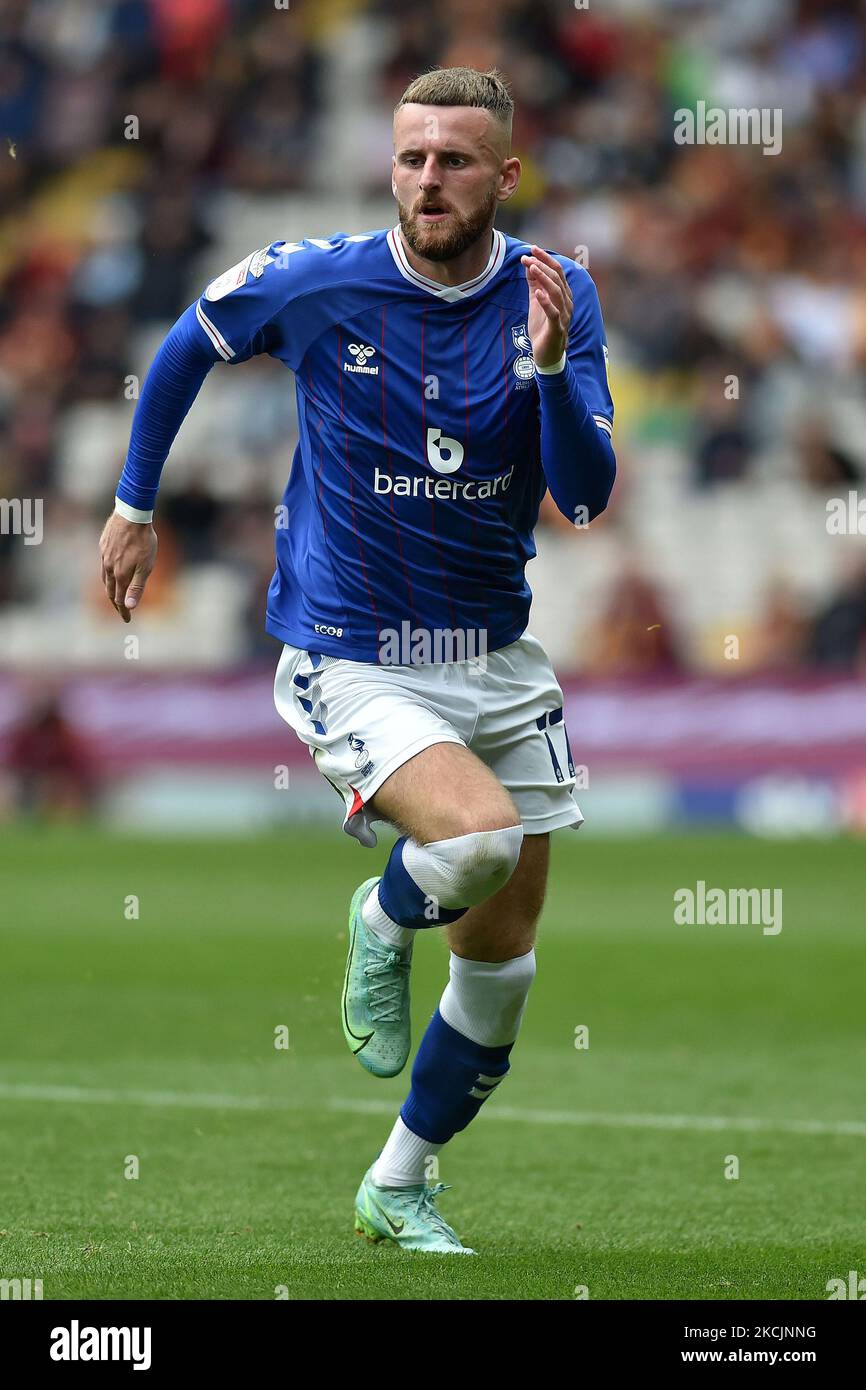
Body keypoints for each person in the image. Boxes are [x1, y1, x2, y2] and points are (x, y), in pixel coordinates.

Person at [99, 66, 615, 1254]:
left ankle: (398, 1182)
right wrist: (135, 503)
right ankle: (380, 922)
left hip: (495, 653)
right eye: (411, 157)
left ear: (503, 175)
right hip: (353, 651)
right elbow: (187, 341)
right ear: (391, 162)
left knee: (500, 972)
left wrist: (544, 369)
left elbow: (583, 496)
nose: (427, 180)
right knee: (472, 842)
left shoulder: (556, 292)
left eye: (453, 161)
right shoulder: (320, 279)